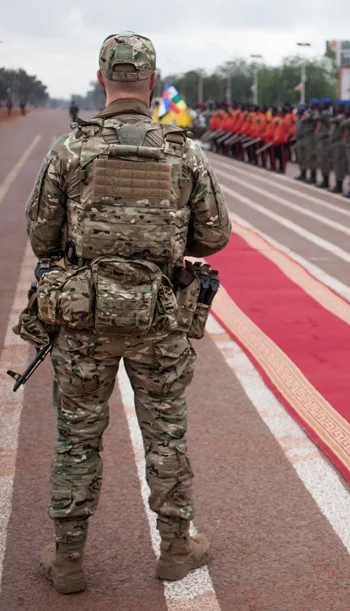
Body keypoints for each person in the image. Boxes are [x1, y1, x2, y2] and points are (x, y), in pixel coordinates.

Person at [22, 31, 229, 594]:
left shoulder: (69, 150)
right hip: (159, 319)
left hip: (85, 320)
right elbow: (214, 236)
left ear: (100, 78)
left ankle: (68, 561)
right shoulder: (183, 150)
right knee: (166, 434)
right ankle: (176, 549)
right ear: (154, 82)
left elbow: (42, 236)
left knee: (76, 438)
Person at [296, 100, 317, 183]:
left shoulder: (308, 115)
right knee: (301, 157)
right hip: (299, 138)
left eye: (301, 109)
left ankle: (312, 175)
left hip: (307, 137)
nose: (299, 110)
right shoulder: (299, 117)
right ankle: (303, 173)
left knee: (309, 157)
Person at [329, 100, 348, 193]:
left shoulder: (342, 117)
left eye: (337, 106)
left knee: (339, 165)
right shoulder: (338, 116)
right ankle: (337, 183)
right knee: (336, 165)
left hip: (339, 143)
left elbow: (334, 120)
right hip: (334, 142)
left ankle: (339, 184)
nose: (336, 108)